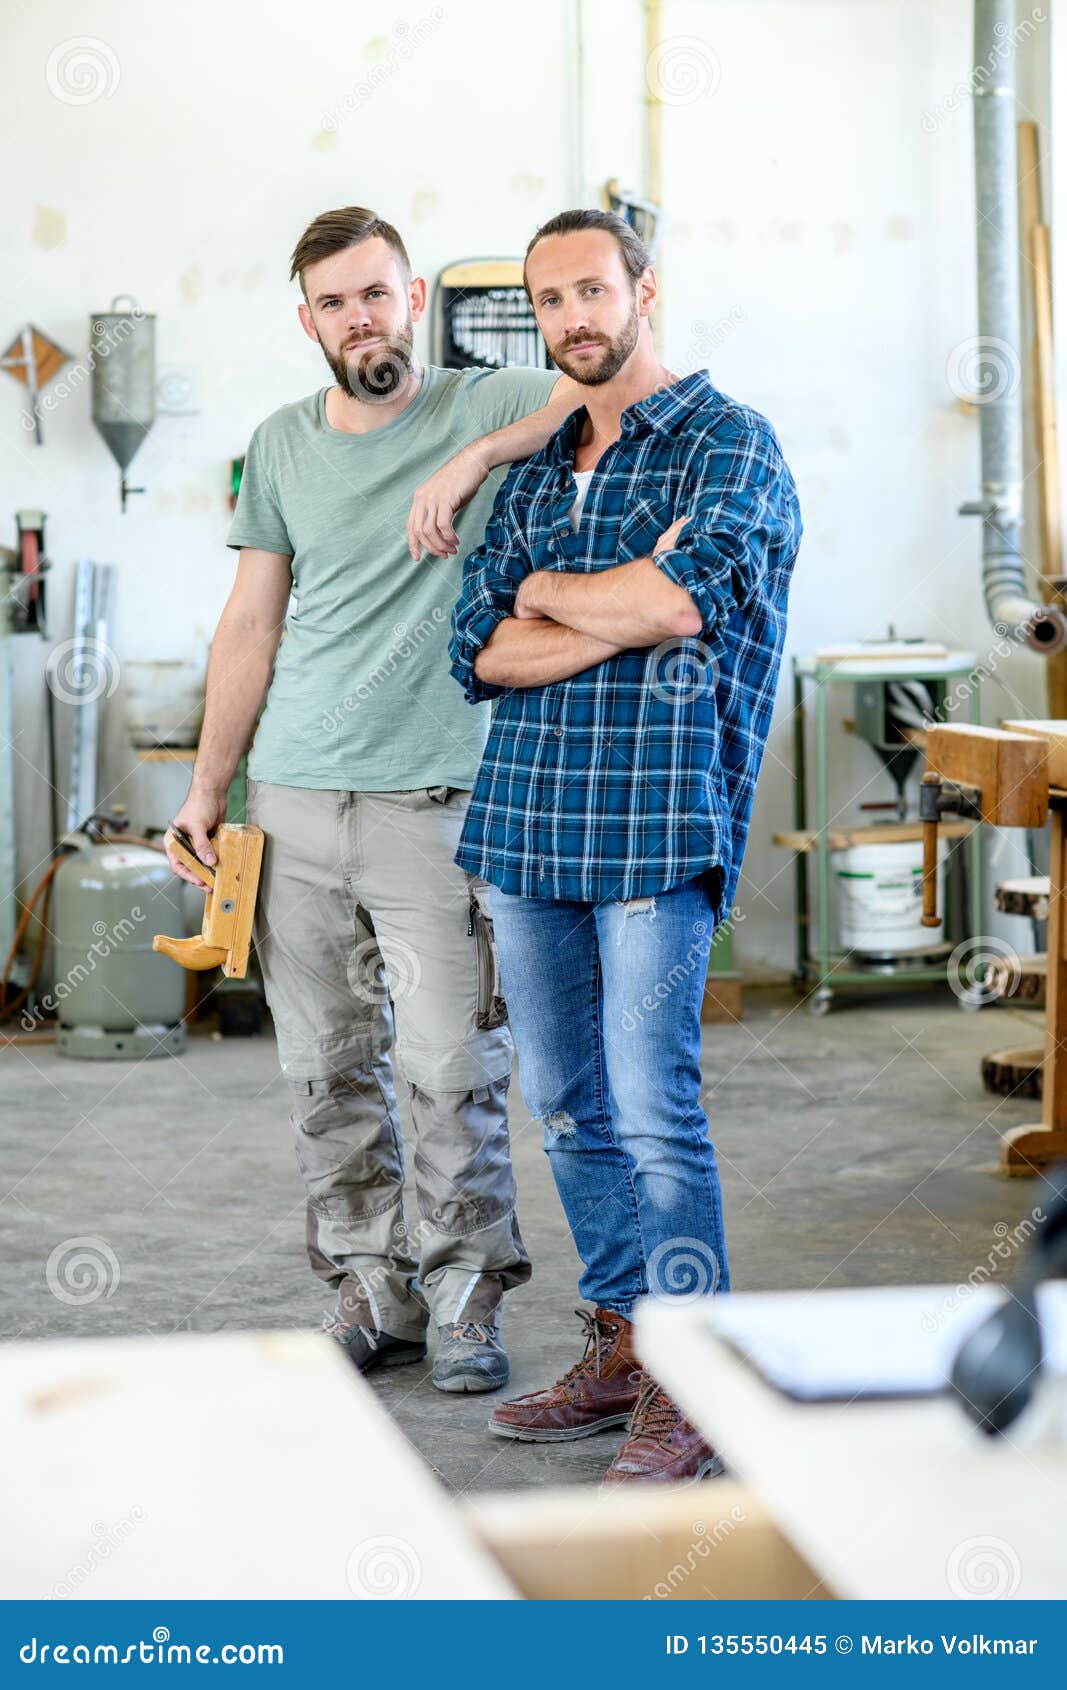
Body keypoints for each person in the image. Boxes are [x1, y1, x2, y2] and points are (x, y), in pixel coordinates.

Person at [167, 205, 583, 1395]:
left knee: (452, 1062)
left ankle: (461, 1292)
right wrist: (207, 788)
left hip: (436, 800)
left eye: (378, 293)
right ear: (308, 321)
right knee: (325, 1065)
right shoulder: (282, 442)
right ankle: (373, 1285)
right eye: (336, 302)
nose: (362, 318)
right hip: (292, 800)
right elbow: (251, 623)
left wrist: (471, 460)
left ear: (412, 298)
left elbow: (606, 395)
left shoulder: (489, 402)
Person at [449, 208, 802, 1479]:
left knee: (655, 1108)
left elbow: (679, 596)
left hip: (657, 825)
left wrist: (567, 597)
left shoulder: (728, 447)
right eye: (549, 303)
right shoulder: (538, 473)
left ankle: (694, 1383)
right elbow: (473, 647)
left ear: (643, 291)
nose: (571, 320)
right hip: (525, 823)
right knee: (565, 1105)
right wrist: (591, 604)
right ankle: (625, 1343)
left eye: (591, 292)